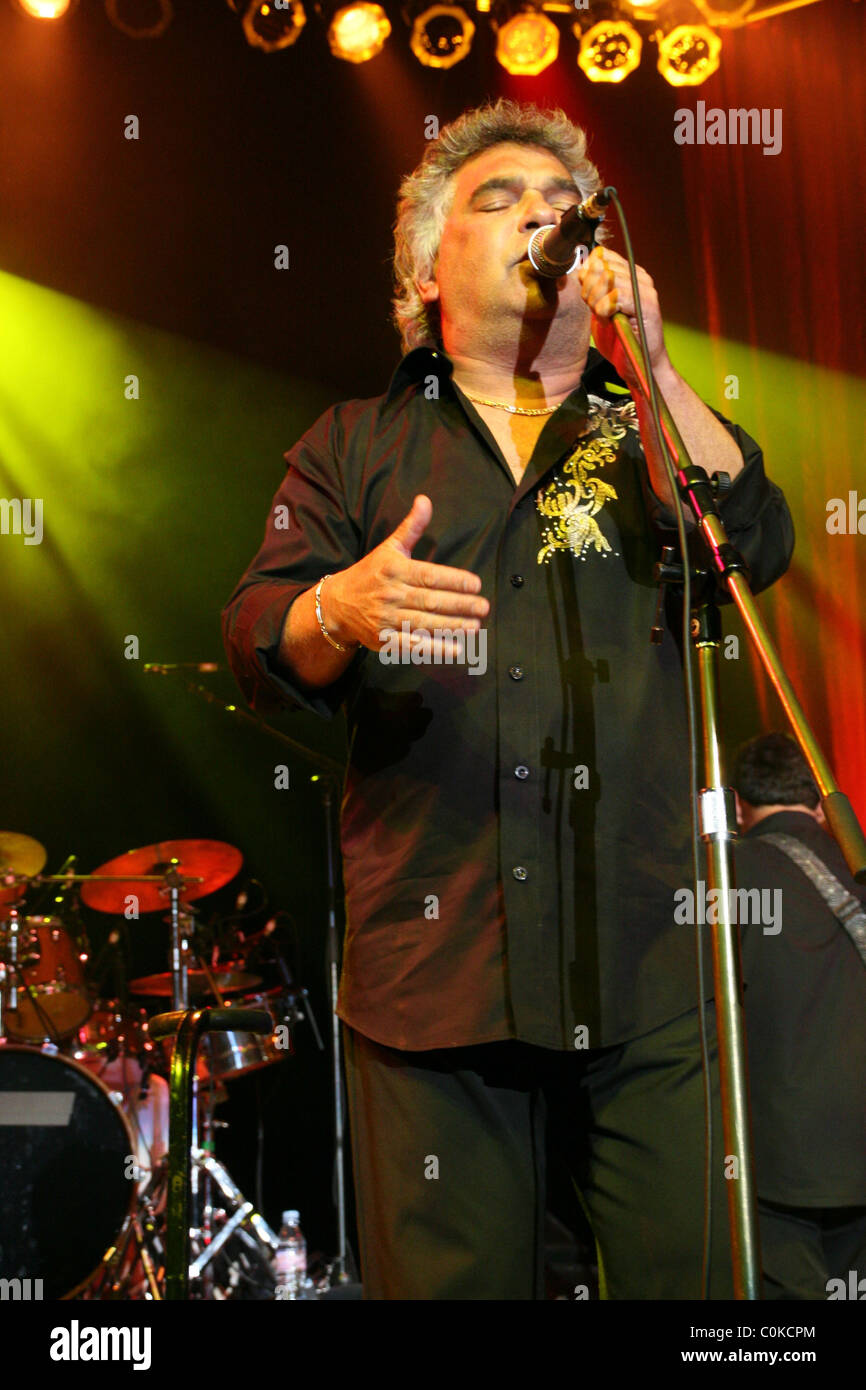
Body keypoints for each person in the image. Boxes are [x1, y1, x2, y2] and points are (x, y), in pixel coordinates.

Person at [222, 99, 794, 1299]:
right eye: (499, 199)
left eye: (559, 204)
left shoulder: (640, 430)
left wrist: (657, 358)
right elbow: (256, 634)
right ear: (426, 267)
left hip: (649, 973)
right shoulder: (355, 443)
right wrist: (342, 606)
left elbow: (754, 537)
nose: (541, 214)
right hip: (435, 979)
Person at [734, 732, 866, 1300]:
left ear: (739, 805)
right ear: (820, 800)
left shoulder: (726, 874)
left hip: (774, 1155)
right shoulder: (857, 869)